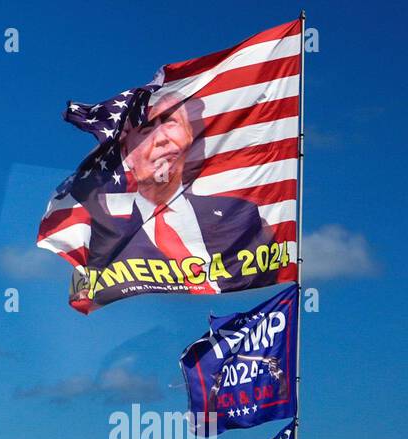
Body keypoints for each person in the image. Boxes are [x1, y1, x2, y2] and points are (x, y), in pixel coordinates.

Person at [84, 94, 271, 292]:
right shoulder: (106, 233)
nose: (162, 139)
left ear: (189, 134)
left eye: (170, 122)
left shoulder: (243, 216)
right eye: (146, 130)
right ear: (126, 154)